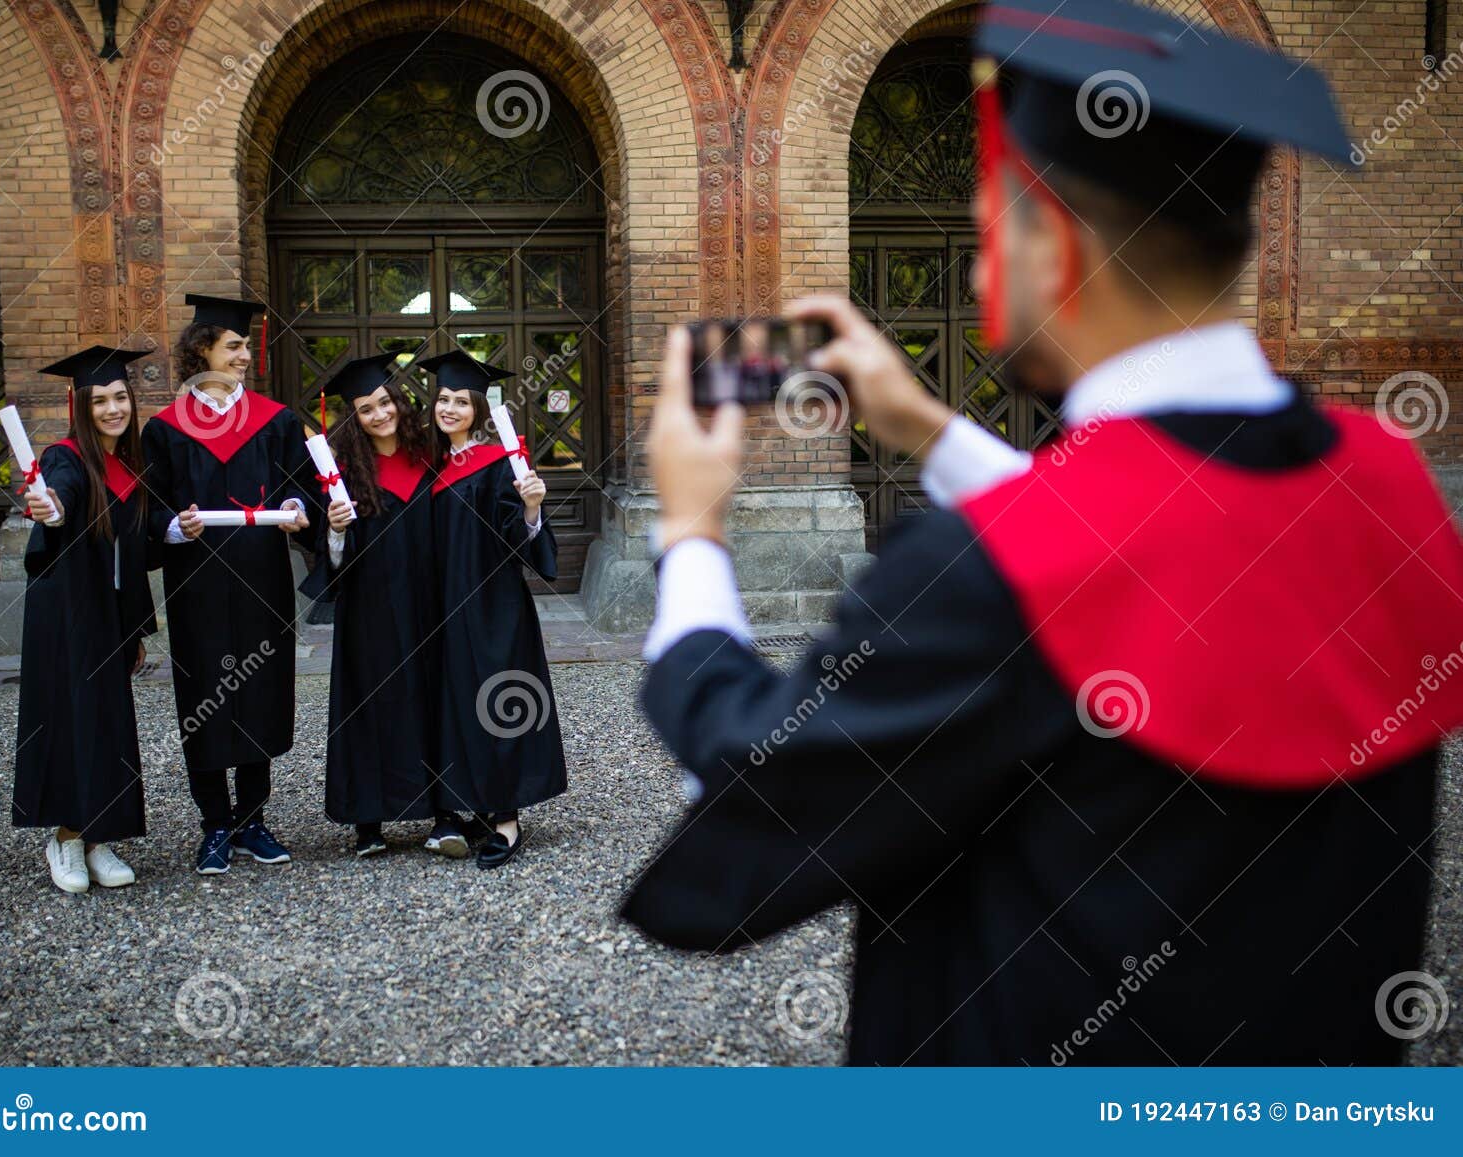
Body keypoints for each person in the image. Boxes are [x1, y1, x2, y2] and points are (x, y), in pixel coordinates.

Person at [621, 0, 1463, 1064]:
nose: (979, 273)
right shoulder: (1385, 475)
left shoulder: (974, 575)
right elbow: (1159, 530)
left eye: (984, 231)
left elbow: (753, 787)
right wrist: (925, 427)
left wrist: (691, 530)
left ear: (1049, 242)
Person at [140, 294, 316, 875]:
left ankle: (252, 822)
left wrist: (296, 506)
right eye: (234, 346)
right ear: (203, 352)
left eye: (245, 346)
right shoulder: (165, 431)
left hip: (264, 581)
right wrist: (172, 526)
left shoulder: (276, 421)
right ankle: (215, 823)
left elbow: (302, 488)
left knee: (261, 695)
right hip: (197, 586)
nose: (245, 356)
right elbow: (149, 508)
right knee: (204, 700)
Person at [13, 345, 159, 894]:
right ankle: (66, 838)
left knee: (109, 723)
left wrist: (136, 625)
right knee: (71, 720)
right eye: (99, 400)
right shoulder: (66, 459)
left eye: (120, 397)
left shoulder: (128, 463)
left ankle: (98, 837)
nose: (113, 408)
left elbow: (137, 544)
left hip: (111, 613)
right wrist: (50, 507)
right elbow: (60, 502)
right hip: (68, 613)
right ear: (81, 406)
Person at [300, 352, 451, 859]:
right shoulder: (345, 475)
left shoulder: (432, 454)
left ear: (398, 401)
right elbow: (332, 557)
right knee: (369, 704)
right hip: (371, 610)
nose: (379, 414)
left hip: (431, 602)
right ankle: (369, 821)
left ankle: (445, 814)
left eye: (384, 402)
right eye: (366, 409)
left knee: (437, 699)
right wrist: (337, 528)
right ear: (355, 418)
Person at [423, 348, 567, 868]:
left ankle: (506, 818)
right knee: (453, 701)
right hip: (437, 607)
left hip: (491, 603)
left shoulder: (498, 464)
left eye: (461, 401)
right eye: (442, 399)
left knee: (495, 698)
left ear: (480, 411)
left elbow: (522, 540)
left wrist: (532, 506)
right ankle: (466, 804)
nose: (450, 409)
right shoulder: (427, 465)